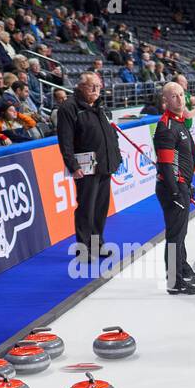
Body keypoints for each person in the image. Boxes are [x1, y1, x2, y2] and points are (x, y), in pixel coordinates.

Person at [55, 71, 119, 272]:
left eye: (98, 87)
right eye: (92, 86)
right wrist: (72, 165)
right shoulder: (69, 108)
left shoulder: (99, 106)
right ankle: (83, 250)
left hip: (104, 165)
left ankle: (97, 245)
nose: (96, 90)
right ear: (80, 87)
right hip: (85, 166)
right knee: (86, 209)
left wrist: (115, 157)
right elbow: (65, 140)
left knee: (100, 208)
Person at [153, 82, 195, 296]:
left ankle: (182, 269)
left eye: (181, 95)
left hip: (182, 184)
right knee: (175, 235)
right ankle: (174, 281)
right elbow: (166, 166)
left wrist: (187, 185)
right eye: (174, 96)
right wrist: (175, 192)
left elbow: (185, 157)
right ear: (165, 100)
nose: (180, 99)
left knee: (181, 233)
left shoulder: (180, 121)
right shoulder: (166, 127)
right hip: (172, 188)